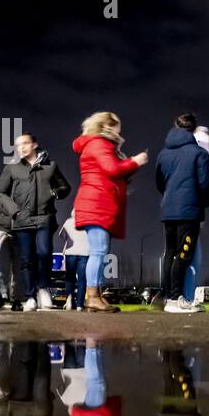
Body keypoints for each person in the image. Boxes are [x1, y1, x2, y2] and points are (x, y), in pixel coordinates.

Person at [71, 112, 148, 313]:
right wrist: (135, 161)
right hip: (96, 202)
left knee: (100, 250)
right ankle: (92, 297)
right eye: (117, 128)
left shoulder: (96, 144)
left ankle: (95, 296)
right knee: (98, 251)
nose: (119, 132)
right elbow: (112, 169)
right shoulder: (99, 143)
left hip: (98, 201)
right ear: (107, 126)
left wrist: (131, 167)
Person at [0, 133, 71, 311]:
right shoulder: (12, 167)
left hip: (44, 218)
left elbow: (65, 187)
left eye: (25, 144)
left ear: (34, 144)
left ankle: (42, 289)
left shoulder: (50, 166)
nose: (21, 147)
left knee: (44, 254)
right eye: (18, 145)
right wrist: (14, 211)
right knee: (26, 259)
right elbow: (0, 192)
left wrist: (53, 194)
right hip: (21, 220)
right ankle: (30, 297)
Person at [156, 113, 209, 313]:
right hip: (189, 211)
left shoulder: (163, 154)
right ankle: (175, 298)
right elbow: (206, 184)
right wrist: (203, 203)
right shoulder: (199, 154)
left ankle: (168, 296)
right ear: (193, 129)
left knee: (170, 253)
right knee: (184, 254)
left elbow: (159, 182)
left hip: (168, 210)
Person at [57, 207, 90, 310]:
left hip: (70, 253)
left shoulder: (68, 222)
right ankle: (80, 305)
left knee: (69, 278)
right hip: (84, 253)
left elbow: (61, 235)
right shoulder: (87, 223)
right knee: (82, 279)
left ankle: (69, 300)